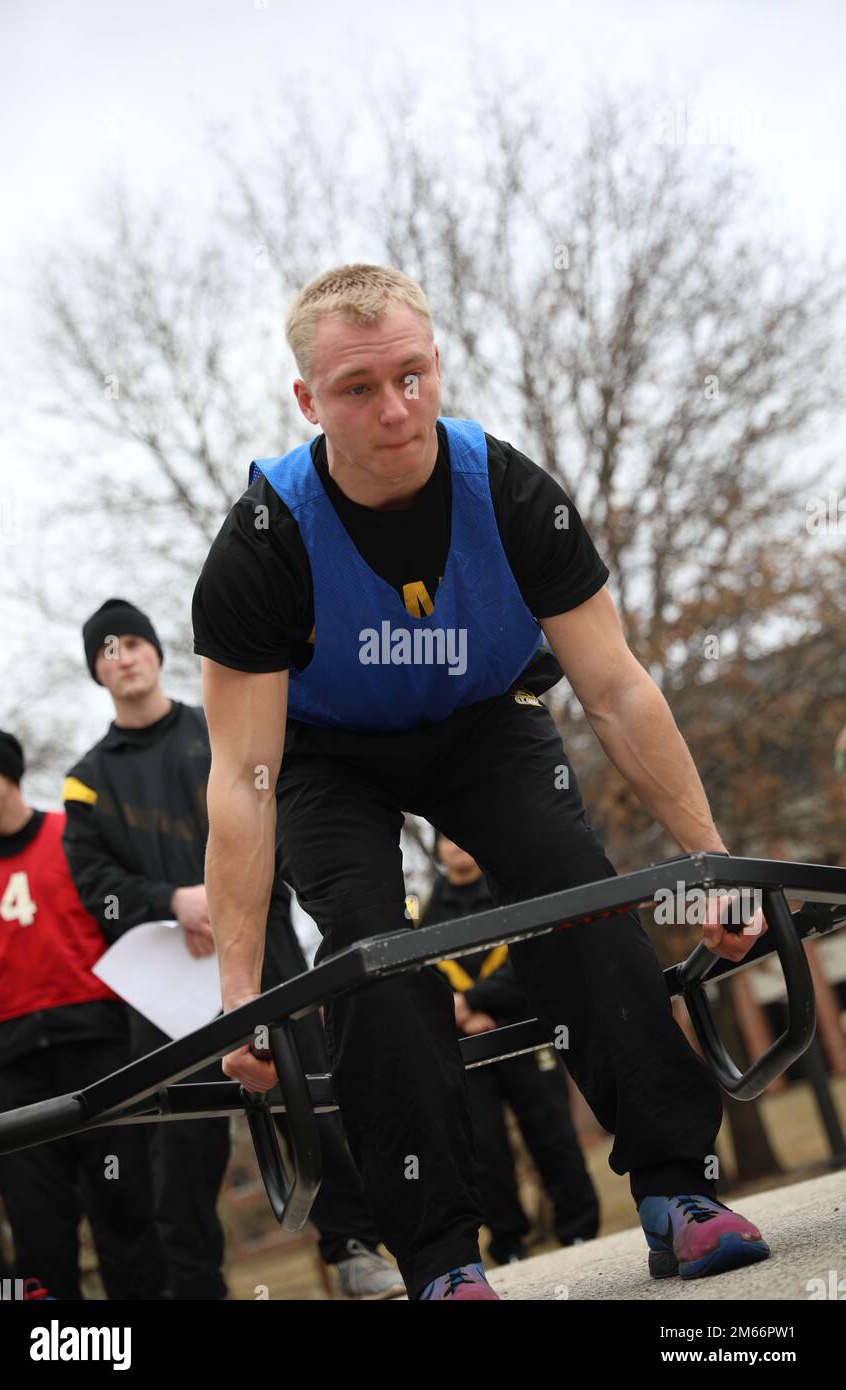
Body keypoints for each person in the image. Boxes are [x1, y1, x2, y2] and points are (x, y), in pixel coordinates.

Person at [192, 263, 772, 1301]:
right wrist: (238, 995)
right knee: (373, 953)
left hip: (480, 720)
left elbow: (617, 690)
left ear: (436, 360)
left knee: (573, 888)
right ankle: (442, 1261)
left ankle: (678, 1193)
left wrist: (710, 862)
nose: (395, 409)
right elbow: (244, 776)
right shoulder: (263, 542)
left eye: (412, 375)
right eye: (358, 389)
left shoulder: (508, 492)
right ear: (306, 401)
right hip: (327, 756)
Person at [62, 600, 403, 1300]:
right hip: (165, 989)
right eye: (106, 650)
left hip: (265, 956)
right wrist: (172, 901)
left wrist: (232, 901)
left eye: (132, 642)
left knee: (307, 1100)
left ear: (157, 652)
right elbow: (92, 883)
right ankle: (195, 1291)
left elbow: (276, 815)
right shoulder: (86, 780)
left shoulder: (218, 730)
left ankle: (354, 1251)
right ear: (98, 671)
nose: (122, 656)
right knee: (180, 1151)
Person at [0, 728, 165, 1300]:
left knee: (124, 1203)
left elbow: (127, 926)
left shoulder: (71, 838)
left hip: (98, 1050)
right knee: (39, 1224)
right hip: (9, 1069)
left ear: (7, 774)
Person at [420, 832, 599, 1263]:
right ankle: (508, 1243)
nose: (456, 845)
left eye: (459, 835)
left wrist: (476, 1002)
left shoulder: (508, 890)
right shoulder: (425, 912)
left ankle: (579, 1231)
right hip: (465, 1046)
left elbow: (532, 959)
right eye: (445, 839)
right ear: (437, 849)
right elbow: (422, 974)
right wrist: (460, 1013)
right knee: (484, 1148)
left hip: (522, 1032)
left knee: (552, 1133)